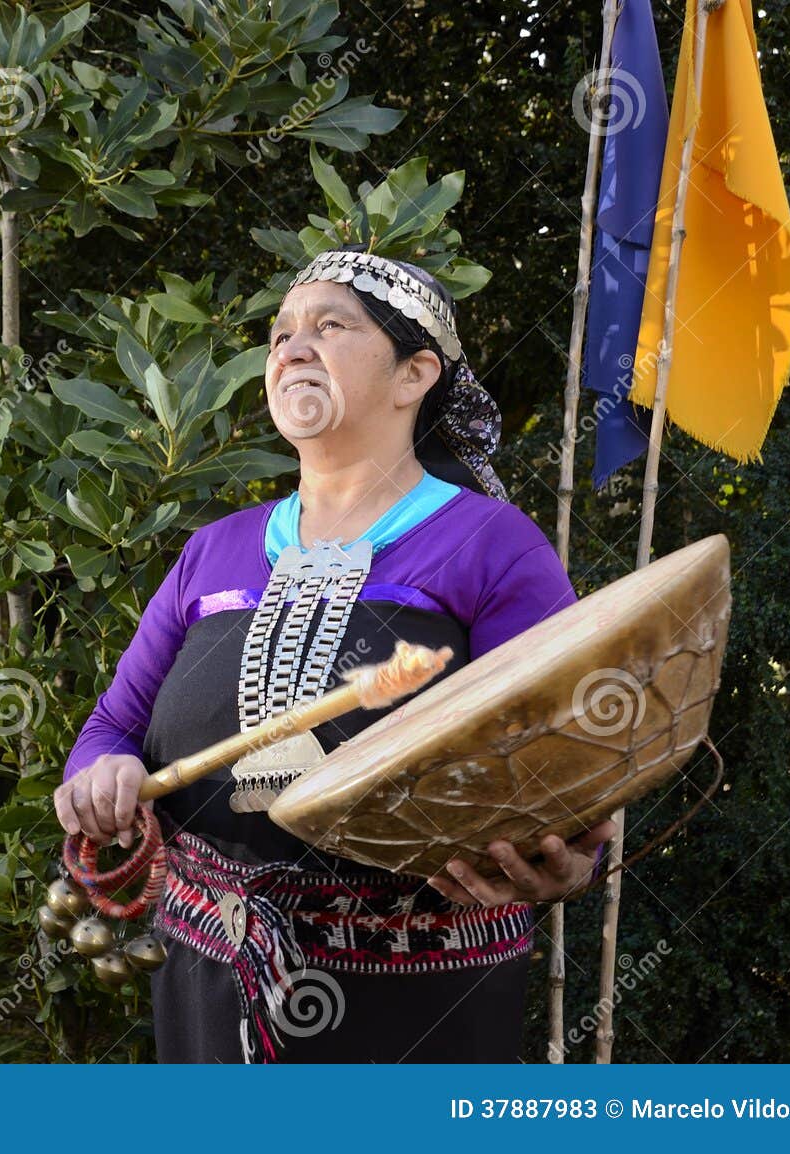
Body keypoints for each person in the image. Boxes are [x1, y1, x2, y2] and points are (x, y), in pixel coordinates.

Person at [54, 246, 615, 1063]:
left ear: (414, 372)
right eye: (280, 333)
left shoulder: (491, 547)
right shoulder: (214, 552)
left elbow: (573, 762)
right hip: (211, 986)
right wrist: (99, 774)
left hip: (418, 1006)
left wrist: (572, 860)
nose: (290, 347)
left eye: (330, 326)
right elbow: (112, 726)